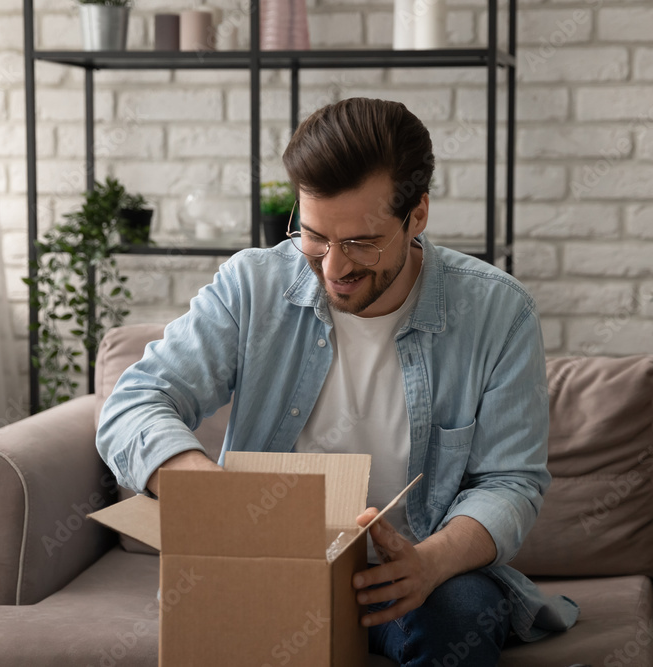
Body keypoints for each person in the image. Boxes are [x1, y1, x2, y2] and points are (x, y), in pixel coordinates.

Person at [97, 97, 579, 665]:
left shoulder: (498, 312)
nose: (333, 268)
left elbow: (511, 482)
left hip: (420, 577)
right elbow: (135, 402)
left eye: (360, 243)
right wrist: (211, 496)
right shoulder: (251, 286)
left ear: (416, 215)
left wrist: (430, 562)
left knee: (463, 615)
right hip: (271, 567)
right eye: (316, 236)